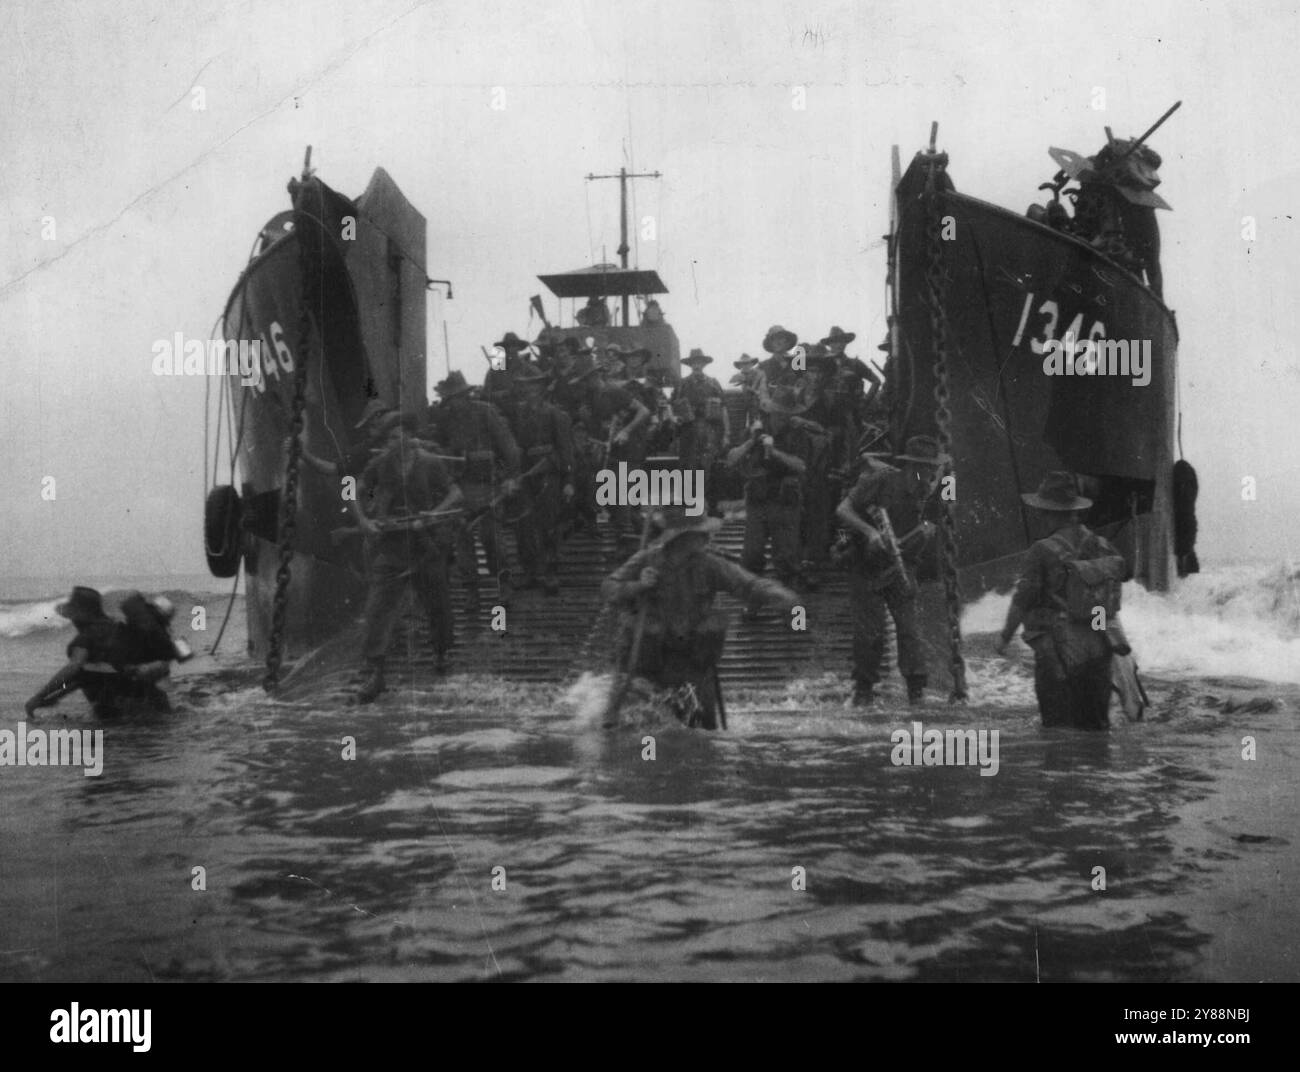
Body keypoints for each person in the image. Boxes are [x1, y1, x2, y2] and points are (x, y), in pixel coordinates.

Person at [600, 505, 799, 729]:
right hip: (647, 665)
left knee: (702, 733)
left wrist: (781, 596)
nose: (707, 536)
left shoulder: (710, 564)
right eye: (699, 532)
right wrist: (638, 585)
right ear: (682, 538)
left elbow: (747, 584)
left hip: (691, 663)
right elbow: (609, 589)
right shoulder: (647, 560)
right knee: (631, 730)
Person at [996, 471, 1128, 730]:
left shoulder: (1041, 551)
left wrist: (1004, 637)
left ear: (1049, 512)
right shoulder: (1103, 545)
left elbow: (1023, 599)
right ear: (1074, 511)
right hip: (1101, 650)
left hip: (1059, 655)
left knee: (1057, 734)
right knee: (1097, 732)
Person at [355, 416, 464, 701]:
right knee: (377, 608)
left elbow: (456, 492)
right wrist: (363, 521)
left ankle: (440, 653)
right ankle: (376, 674)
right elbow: (352, 489)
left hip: (425, 544)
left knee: (437, 604)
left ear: (409, 437)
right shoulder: (380, 465)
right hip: (391, 546)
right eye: (388, 438)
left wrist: (435, 513)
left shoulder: (430, 463)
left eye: (397, 436)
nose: (392, 443)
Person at [836, 435, 947, 706]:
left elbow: (939, 508)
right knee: (870, 632)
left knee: (909, 629)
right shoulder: (881, 481)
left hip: (901, 565)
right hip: (867, 564)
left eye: (934, 469)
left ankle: (916, 690)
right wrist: (871, 533)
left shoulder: (927, 489)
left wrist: (928, 528)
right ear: (913, 466)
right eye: (928, 468)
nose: (932, 474)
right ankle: (864, 690)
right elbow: (843, 510)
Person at [429, 369, 522, 609]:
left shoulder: (485, 412)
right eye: (451, 400)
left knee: (491, 538)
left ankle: (505, 584)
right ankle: (471, 590)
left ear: (466, 395)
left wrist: (511, 477)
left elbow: (510, 448)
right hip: (460, 488)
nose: (455, 404)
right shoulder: (446, 420)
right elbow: (440, 448)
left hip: (487, 485)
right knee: (463, 542)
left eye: (458, 398)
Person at [726, 385, 817, 594]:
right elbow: (731, 460)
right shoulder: (756, 430)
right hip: (758, 500)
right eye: (778, 412)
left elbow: (802, 466)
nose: (781, 417)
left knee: (787, 557)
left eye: (785, 413)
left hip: (785, 500)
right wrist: (751, 442)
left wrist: (773, 451)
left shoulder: (798, 434)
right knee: (751, 554)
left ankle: (791, 607)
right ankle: (752, 601)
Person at [24, 587, 167, 719]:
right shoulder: (118, 628)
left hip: (122, 712)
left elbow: (74, 667)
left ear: (78, 616)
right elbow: (96, 674)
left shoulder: (86, 638)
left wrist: (39, 697)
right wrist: (57, 696)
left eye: (73, 616)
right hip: (156, 703)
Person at [505, 364, 575, 594]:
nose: (530, 390)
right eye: (525, 386)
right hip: (526, 474)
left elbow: (566, 450)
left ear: (542, 387)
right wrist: (513, 476)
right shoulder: (517, 415)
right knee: (524, 525)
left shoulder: (557, 415)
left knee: (549, 524)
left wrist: (568, 481)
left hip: (550, 473)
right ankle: (530, 571)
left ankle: (551, 572)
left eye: (534, 385)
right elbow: (513, 448)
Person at [675, 348, 730, 515]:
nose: (697, 365)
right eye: (694, 363)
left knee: (710, 466)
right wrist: (676, 420)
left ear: (704, 364)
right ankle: (692, 506)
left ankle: (710, 506)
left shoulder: (713, 383)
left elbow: (723, 408)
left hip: (710, 430)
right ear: (690, 365)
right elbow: (674, 407)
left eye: (699, 362)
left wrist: (726, 434)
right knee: (688, 466)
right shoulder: (682, 384)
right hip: (689, 431)